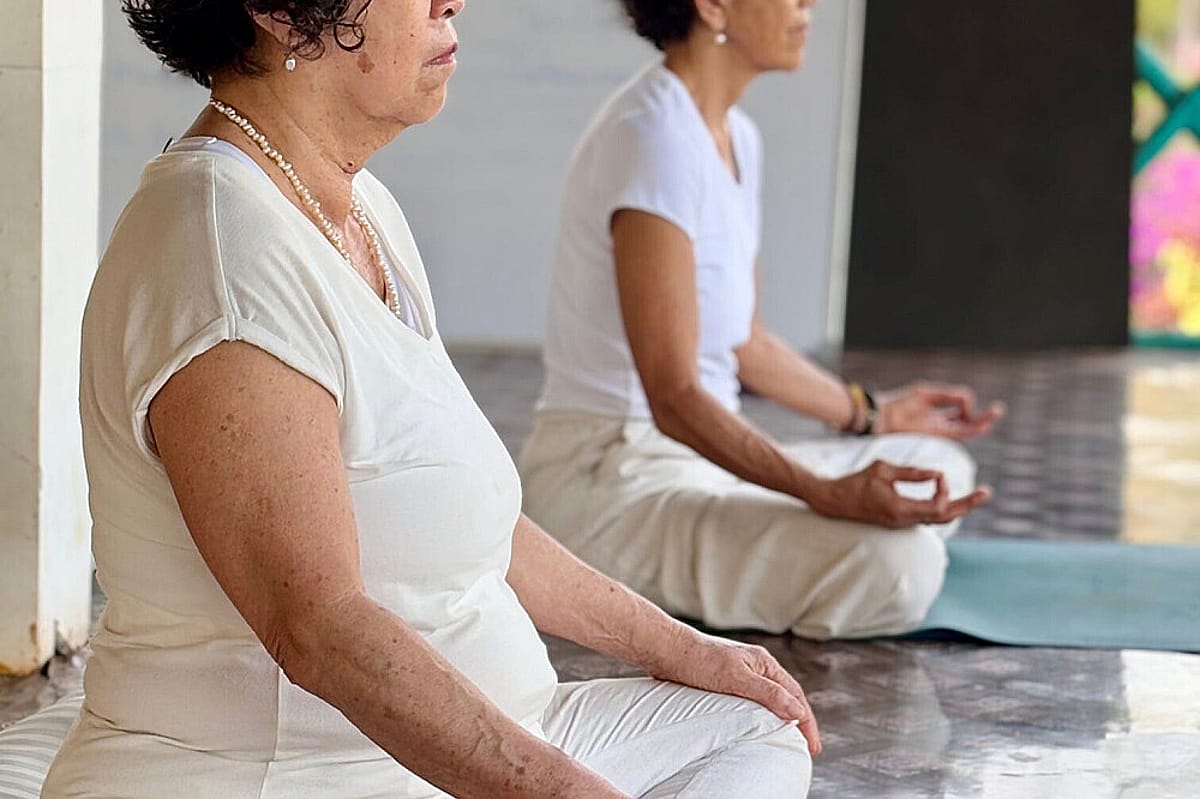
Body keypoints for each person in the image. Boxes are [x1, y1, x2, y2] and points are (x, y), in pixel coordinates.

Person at [41, 2, 820, 797]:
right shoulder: (219, 250)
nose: (452, 2)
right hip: (303, 776)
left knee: (757, 723)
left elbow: (472, 516)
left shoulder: (361, 210)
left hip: (482, 737)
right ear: (283, 12)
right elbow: (317, 627)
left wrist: (684, 648)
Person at [519, 0, 1005, 641]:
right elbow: (674, 397)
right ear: (712, 6)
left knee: (937, 466)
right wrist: (823, 493)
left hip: (696, 458)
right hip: (609, 479)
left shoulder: (736, 137)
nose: (809, 5)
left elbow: (742, 338)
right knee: (901, 567)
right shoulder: (651, 138)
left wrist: (871, 414)